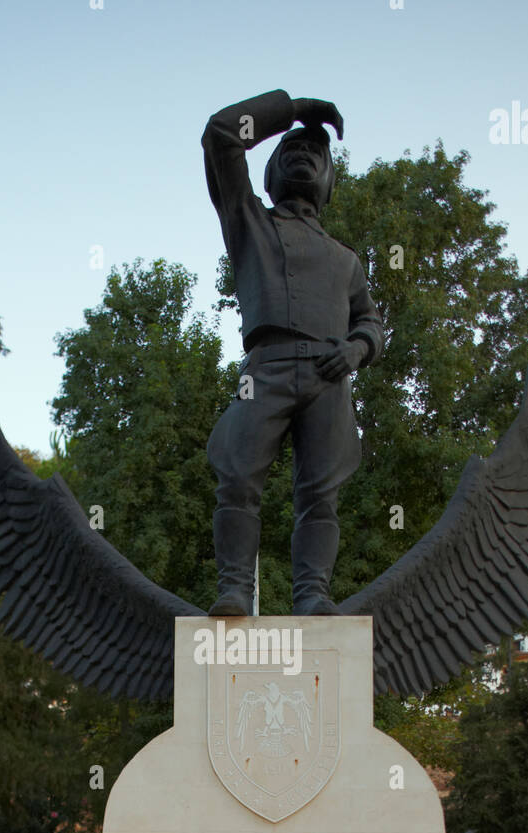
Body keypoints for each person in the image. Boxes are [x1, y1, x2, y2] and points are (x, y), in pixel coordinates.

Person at [202, 89, 383, 616]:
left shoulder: (346, 260)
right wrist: (295, 111)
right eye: (292, 151)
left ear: (329, 180)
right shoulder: (248, 222)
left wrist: (356, 348)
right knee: (236, 474)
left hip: (330, 376)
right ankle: (235, 588)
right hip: (265, 367)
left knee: (320, 494)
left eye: (316, 154)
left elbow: (371, 320)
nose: (304, 155)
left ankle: (313, 595)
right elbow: (220, 134)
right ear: (272, 170)